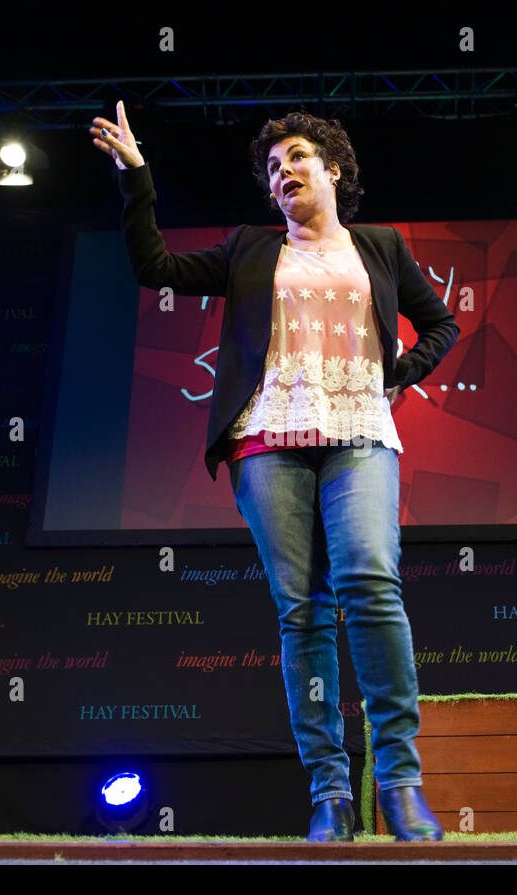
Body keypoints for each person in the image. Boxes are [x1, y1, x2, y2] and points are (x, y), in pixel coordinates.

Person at [90, 102, 458, 842]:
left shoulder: (380, 247)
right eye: (271, 167)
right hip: (268, 440)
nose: (282, 171)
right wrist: (137, 178)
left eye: (295, 157)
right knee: (304, 611)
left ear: (333, 170)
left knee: (370, 583)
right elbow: (153, 266)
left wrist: (401, 370)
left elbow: (442, 321)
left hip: (359, 431)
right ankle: (330, 795)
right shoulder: (251, 249)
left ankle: (400, 784)